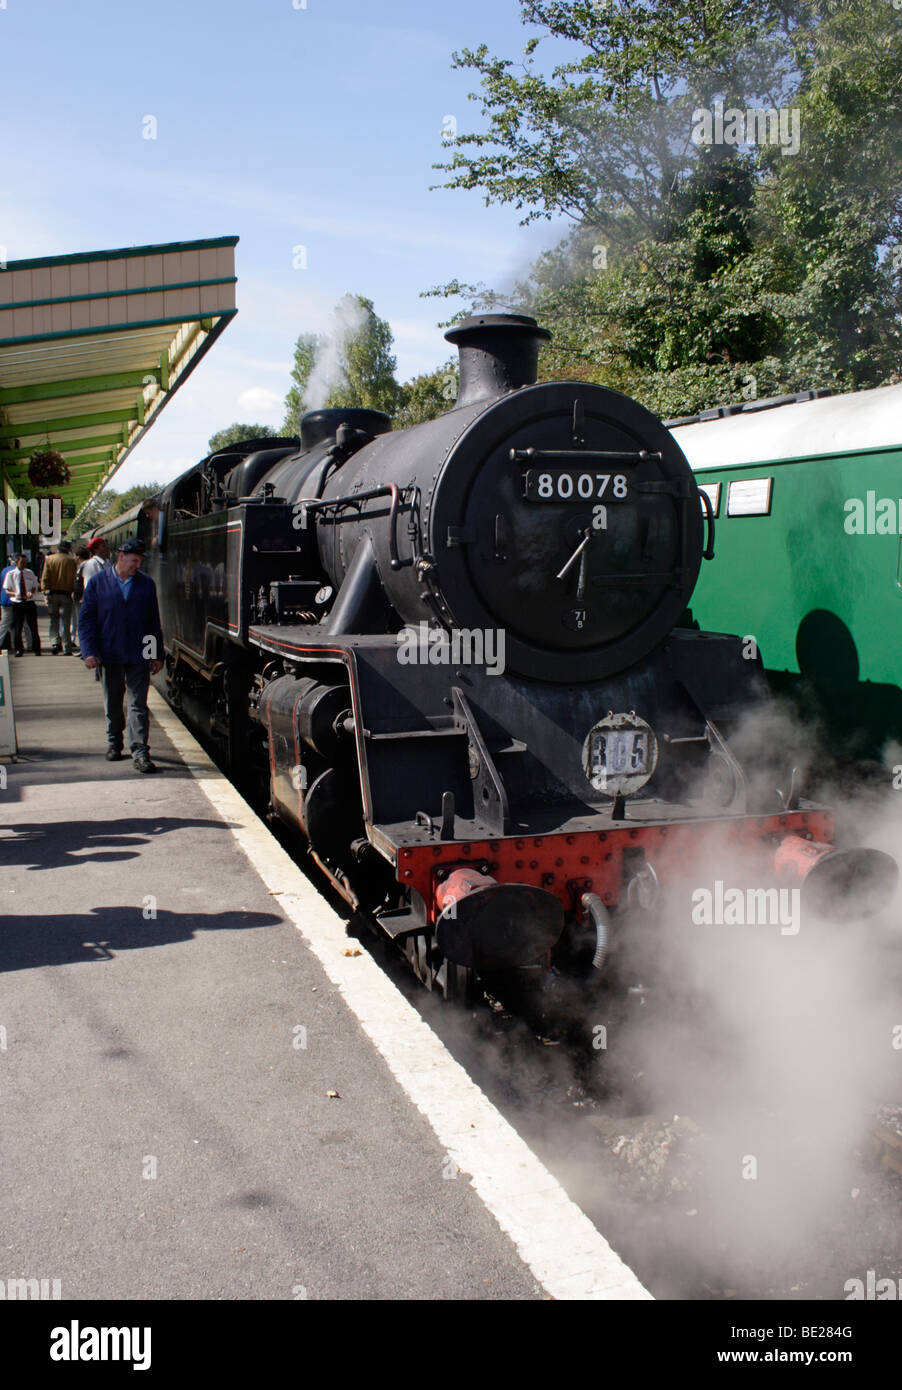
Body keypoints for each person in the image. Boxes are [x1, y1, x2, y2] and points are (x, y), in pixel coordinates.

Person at [78, 538, 164, 773]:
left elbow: (152, 622)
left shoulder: (146, 584)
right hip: (109, 653)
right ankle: (115, 742)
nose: (137, 565)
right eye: (134, 561)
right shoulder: (97, 583)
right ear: (121, 557)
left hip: (138, 654)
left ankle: (140, 751)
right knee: (113, 701)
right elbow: (86, 621)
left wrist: (155, 654)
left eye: (140, 561)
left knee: (138, 704)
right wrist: (89, 652)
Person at [40, 540, 78, 655]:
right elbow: (74, 579)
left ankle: (55, 643)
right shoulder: (72, 561)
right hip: (66, 595)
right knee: (66, 622)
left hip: (52, 594)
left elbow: (45, 576)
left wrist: (44, 591)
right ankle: (67, 647)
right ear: (68, 549)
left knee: (54, 620)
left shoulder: (50, 560)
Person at [2, 554, 42, 656]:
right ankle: (19, 649)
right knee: (17, 627)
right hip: (17, 602)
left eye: (25, 562)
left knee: (33, 626)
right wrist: (15, 594)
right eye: (21, 562)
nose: (24, 564)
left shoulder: (29, 573)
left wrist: (31, 592)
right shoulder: (11, 574)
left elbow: (34, 585)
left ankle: (36, 648)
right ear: (16, 562)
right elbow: (7, 589)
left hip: (29, 602)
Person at [70, 545, 90, 652]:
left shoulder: (85, 566)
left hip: (82, 601)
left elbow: (86, 583)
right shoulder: (82, 566)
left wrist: (83, 596)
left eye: (74, 556)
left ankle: (85, 649)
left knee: (83, 624)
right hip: (79, 600)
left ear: (78, 556)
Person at [0, 556, 16, 654]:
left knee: (5, 623)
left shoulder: (4, 571)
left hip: (5, 600)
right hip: (17, 600)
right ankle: (18, 644)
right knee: (19, 624)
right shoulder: (23, 571)